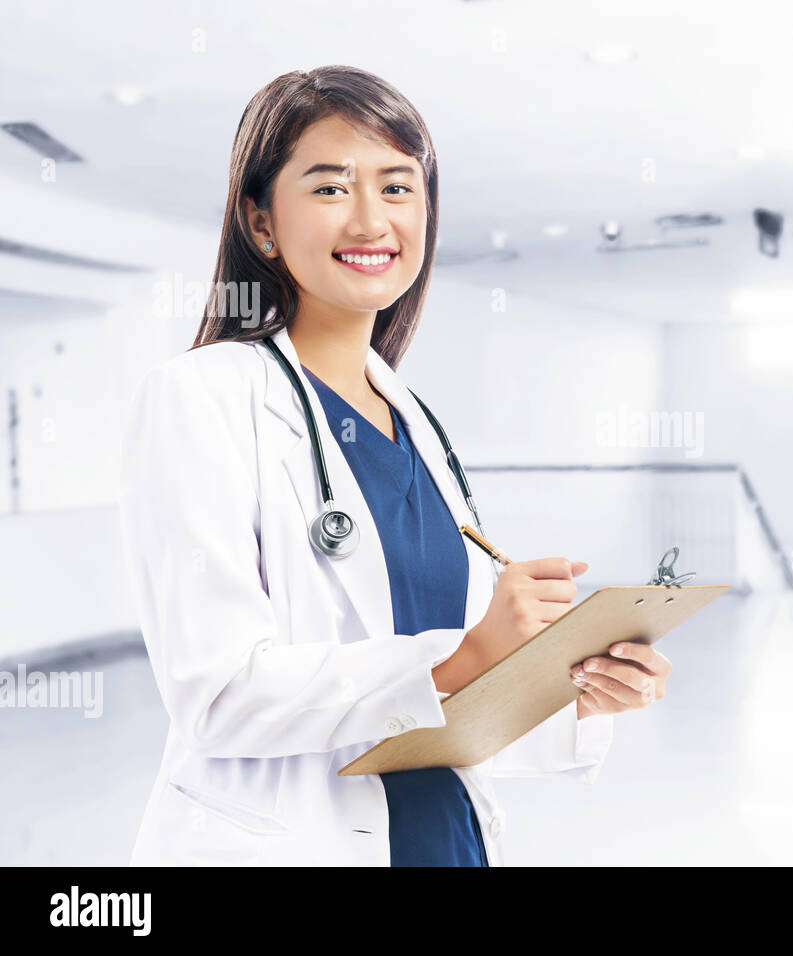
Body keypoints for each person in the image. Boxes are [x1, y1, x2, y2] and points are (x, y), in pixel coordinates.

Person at [117, 65, 672, 866]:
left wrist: (575, 685)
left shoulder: (416, 425)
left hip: (441, 837)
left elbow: (450, 704)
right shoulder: (198, 398)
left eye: (399, 187)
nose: (373, 219)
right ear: (262, 222)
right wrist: (466, 655)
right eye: (331, 188)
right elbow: (219, 695)